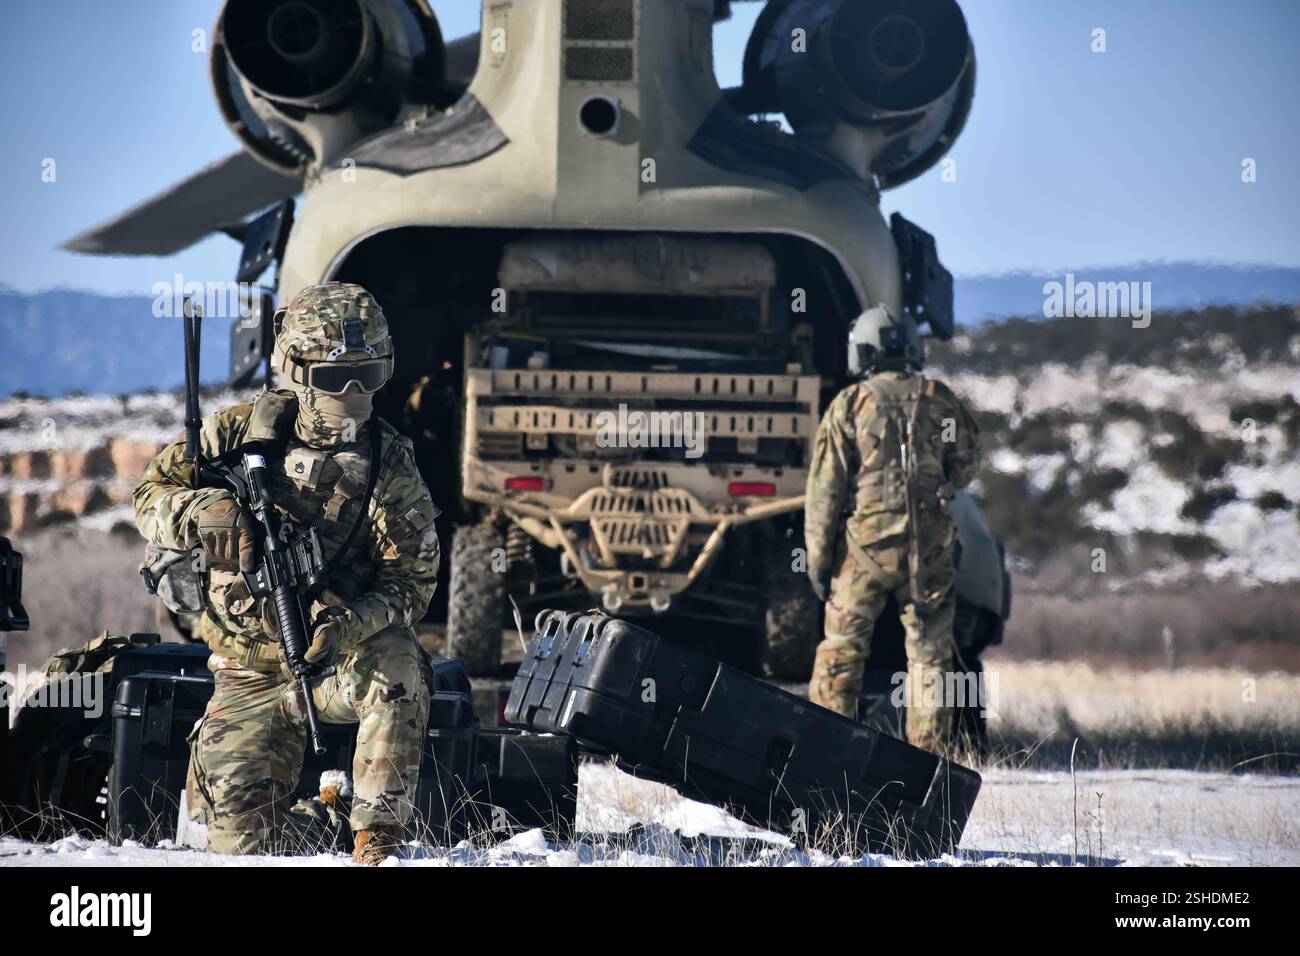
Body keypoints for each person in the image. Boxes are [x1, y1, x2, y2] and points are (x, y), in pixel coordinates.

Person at [134, 282, 440, 863]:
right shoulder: (235, 433)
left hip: (331, 665)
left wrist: (346, 626)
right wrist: (204, 510)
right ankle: (324, 820)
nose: (351, 393)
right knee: (243, 850)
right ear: (295, 370)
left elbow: (413, 582)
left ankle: (377, 840)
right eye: (332, 379)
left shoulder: (390, 464)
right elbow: (149, 494)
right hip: (247, 669)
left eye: (368, 376)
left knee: (398, 662)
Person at [803, 305, 979, 752]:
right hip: (930, 556)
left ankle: (827, 757)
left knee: (841, 651)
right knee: (930, 660)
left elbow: (824, 494)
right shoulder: (940, 398)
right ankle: (929, 765)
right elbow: (964, 469)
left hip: (865, 553)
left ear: (863, 349)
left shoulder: (850, 405)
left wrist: (819, 563)